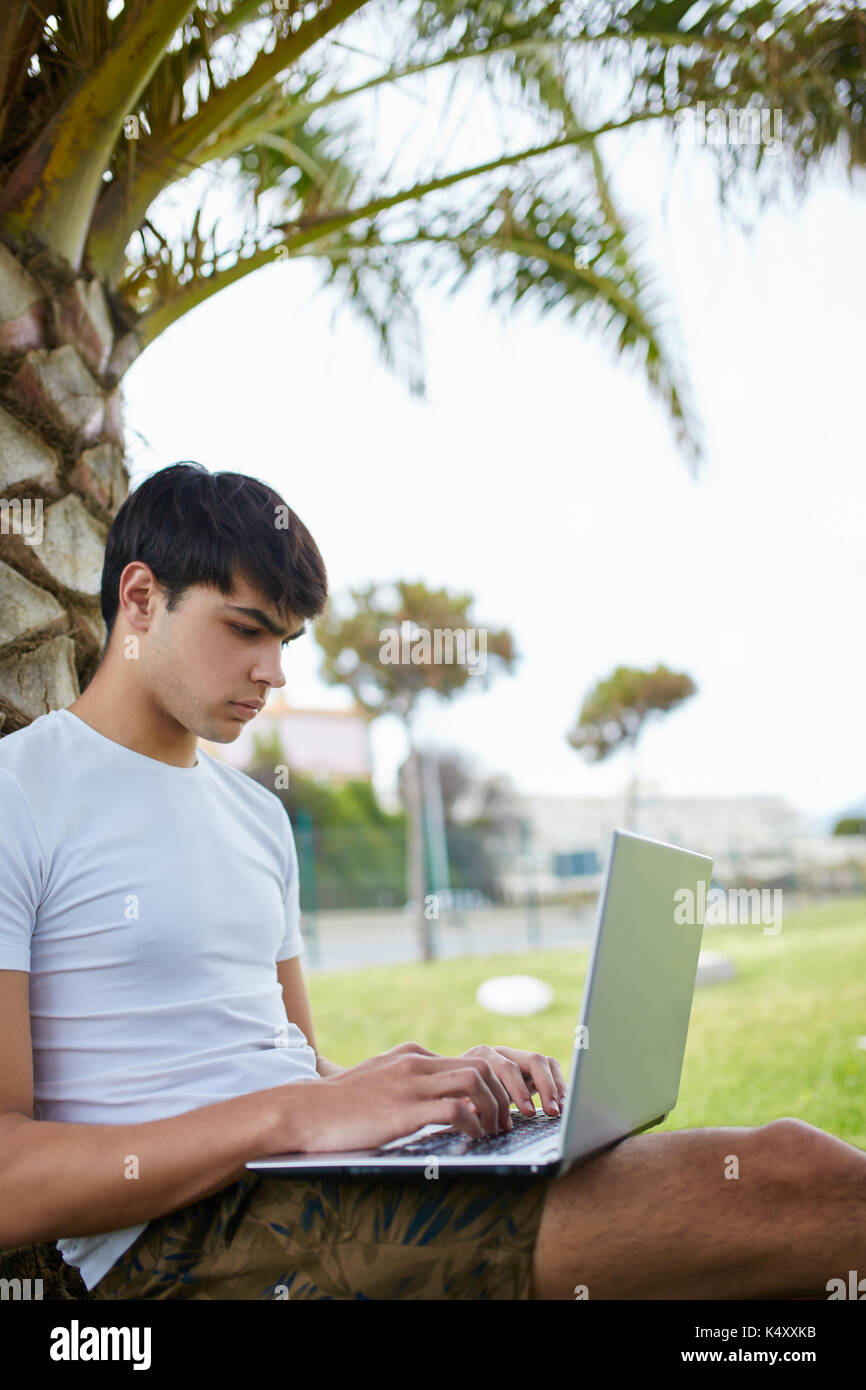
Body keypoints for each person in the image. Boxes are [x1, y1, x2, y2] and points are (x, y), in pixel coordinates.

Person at [0, 462, 861, 1301]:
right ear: (142, 598)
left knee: (792, 1162)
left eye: (286, 642)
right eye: (246, 629)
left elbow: (296, 1071)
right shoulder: (21, 795)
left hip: (315, 1185)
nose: (275, 673)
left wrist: (428, 1092)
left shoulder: (256, 819)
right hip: (182, 1241)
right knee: (782, 1188)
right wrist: (289, 1117)